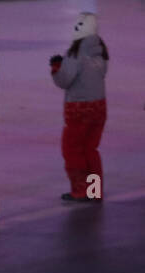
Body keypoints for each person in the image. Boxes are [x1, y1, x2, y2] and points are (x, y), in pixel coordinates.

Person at [50, 13, 108, 203]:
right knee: (91, 149)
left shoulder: (76, 54)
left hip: (79, 109)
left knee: (72, 150)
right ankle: (94, 190)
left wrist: (56, 68)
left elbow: (65, 80)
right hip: (99, 107)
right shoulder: (101, 53)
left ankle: (80, 190)